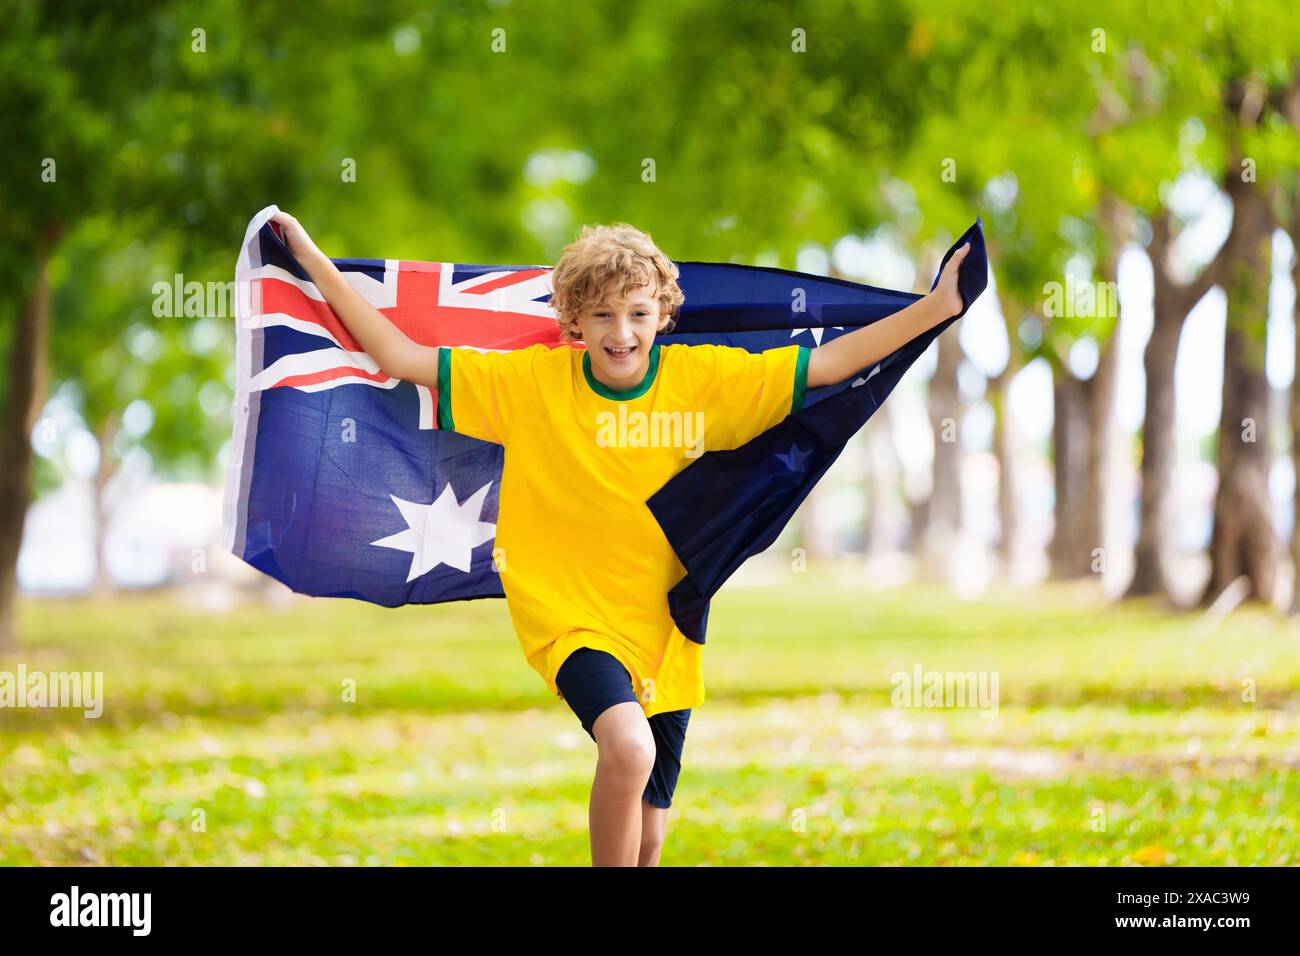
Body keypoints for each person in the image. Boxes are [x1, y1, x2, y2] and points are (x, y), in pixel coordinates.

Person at [269, 211, 970, 866]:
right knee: (627, 748)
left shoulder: (702, 380)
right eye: (601, 314)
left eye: (637, 313)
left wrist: (934, 308)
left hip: (666, 623)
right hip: (567, 613)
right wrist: (310, 258)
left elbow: (821, 367)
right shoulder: (529, 383)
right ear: (571, 320)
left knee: (649, 834)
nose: (621, 332)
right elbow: (398, 354)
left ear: (664, 316)